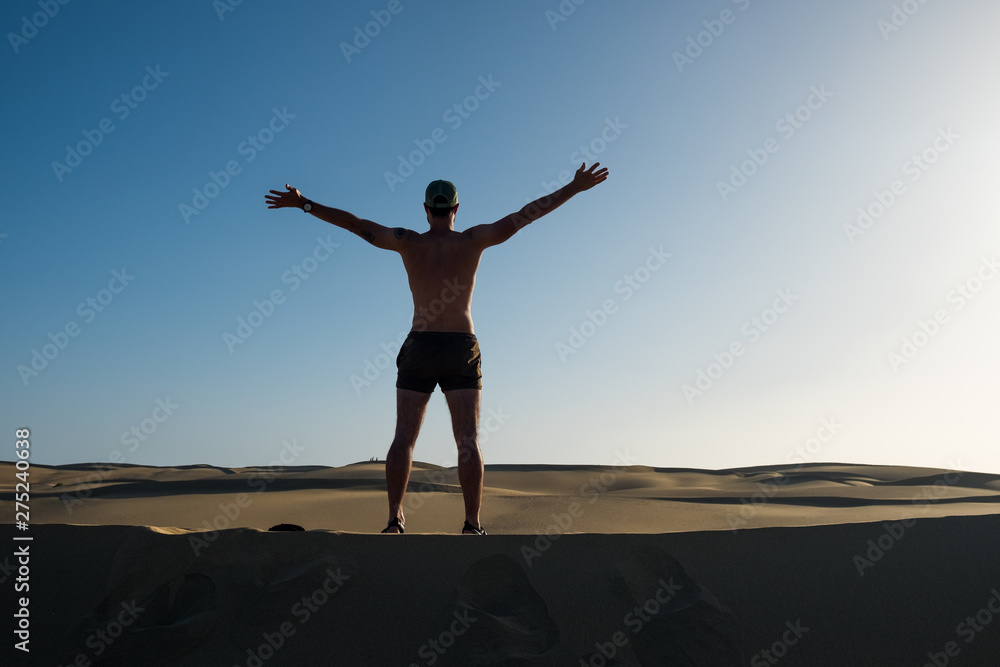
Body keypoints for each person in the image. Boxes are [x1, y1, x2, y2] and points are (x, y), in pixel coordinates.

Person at [265, 162, 609, 534]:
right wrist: (573, 188)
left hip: (421, 345)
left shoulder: (406, 240)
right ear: (456, 210)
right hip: (461, 345)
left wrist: (305, 204)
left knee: (403, 439)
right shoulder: (474, 239)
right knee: (468, 440)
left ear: (426, 209)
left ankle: (395, 519)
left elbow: (355, 224)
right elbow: (525, 215)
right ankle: (472, 524)